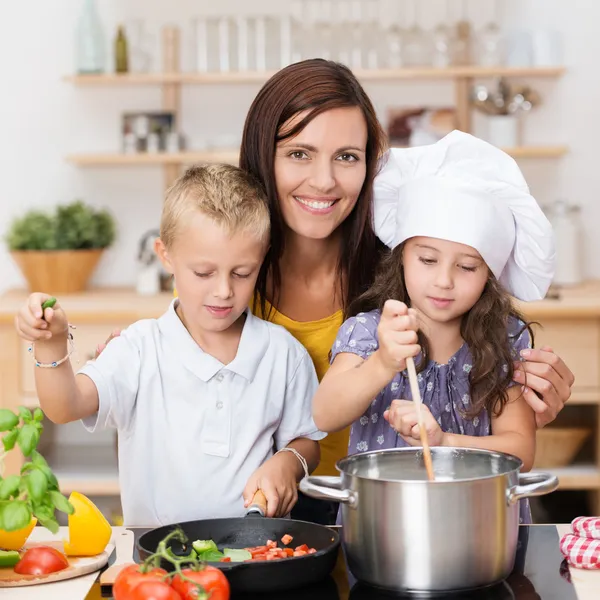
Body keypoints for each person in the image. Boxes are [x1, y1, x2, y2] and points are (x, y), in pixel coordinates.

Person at [96, 59, 575, 525]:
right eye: (299, 153)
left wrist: (533, 395)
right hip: (256, 515)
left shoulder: (404, 275)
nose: (324, 181)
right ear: (265, 154)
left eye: (347, 157)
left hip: (382, 513)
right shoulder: (232, 272)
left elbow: (492, 408)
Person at [15, 164, 324, 526]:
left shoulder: (283, 354)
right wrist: (51, 344)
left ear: (263, 257)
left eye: (242, 273)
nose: (224, 290)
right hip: (156, 566)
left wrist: (289, 463)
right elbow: (64, 407)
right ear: (166, 256)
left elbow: (307, 442)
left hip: (256, 555)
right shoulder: (139, 348)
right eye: (204, 273)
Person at [312, 130, 555, 523]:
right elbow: (324, 415)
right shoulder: (367, 331)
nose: (444, 280)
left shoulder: (504, 341)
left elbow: (520, 451)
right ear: (401, 257)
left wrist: (443, 443)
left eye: (467, 266)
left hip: (480, 526)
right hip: (384, 526)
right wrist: (382, 362)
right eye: (427, 260)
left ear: (490, 274)